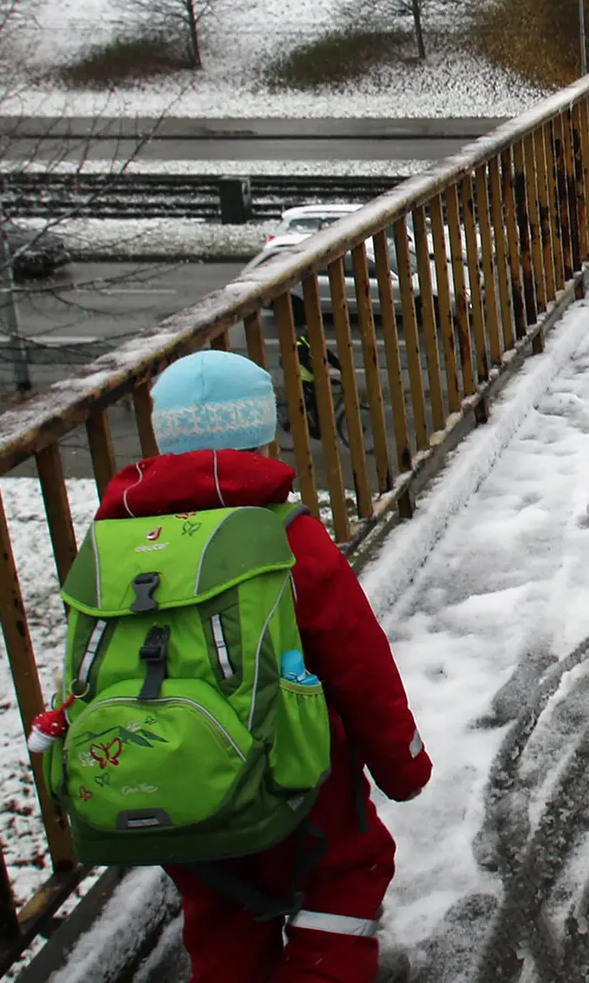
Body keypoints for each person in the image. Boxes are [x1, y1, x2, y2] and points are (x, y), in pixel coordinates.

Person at [102, 350, 431, 983]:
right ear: (263, 440)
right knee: (345, 878)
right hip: (295, 776)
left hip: (175, 776)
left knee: (221, 906)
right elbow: (357, 663)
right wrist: (402, 764)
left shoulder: (116, 543)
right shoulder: (286, 538)